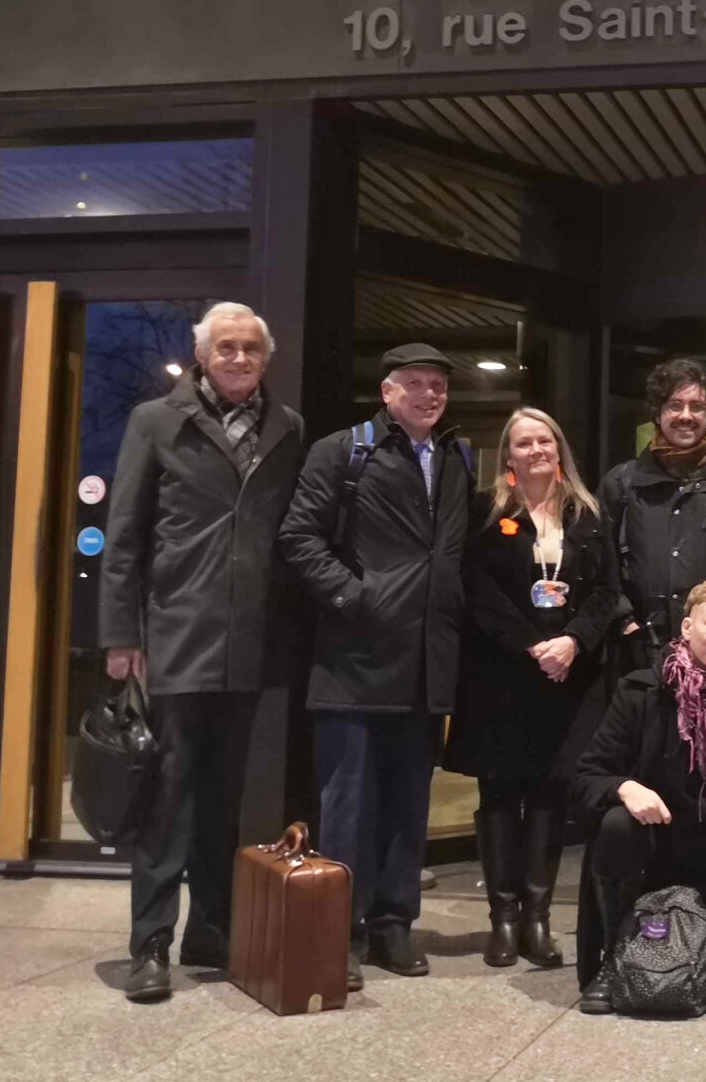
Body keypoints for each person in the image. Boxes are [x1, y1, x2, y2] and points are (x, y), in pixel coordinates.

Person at [99, 302, 304, 1004]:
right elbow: (123, 535)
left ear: (265, 356)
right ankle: (150, 943)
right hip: (176, 636)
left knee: (225, 800)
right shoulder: (157, 421)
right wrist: (121, 636)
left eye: (251, 347)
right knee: (169, 797)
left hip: (250, 643)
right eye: (227, 347)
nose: (240, 358)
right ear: (203, 355)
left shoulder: (287, 428)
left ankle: (211, 931)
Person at [278, 343, 472, 988]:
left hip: (423, 664)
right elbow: (298, 539)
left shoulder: (455, 456)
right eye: (414, 384)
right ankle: (342, 931)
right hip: (354, 662)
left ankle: (394, 926)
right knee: (349, 808)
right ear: (387, 392)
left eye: (438, 385)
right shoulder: (344, 450)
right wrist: (354, 597)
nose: (428, 395)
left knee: (407, 806)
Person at [445, 408, 620, 970]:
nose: (536, 449)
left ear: (559, 447)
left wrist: (571, 643)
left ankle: (539, 918)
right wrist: (531, 645)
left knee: (550, 793)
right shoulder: (486, 511)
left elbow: (607, 592)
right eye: (524, 442)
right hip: (502, 675)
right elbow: (476, 588)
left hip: (570, 677)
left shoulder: (588, 513)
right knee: (499, 794)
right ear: (509, 455)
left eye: (545, 439)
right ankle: (503, 917)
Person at [570, 581, 706, 1015]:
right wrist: (626, 787)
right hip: (651, 852)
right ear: (687, 627)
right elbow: (585, 778)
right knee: (618, 824)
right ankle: (613, 960)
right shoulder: (641, 692)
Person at [598, 358, 706, 671]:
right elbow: (600, 564)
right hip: (639, 654)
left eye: (696, 406)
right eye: (675, 405)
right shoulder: (621, 483)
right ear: (658, 411)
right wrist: (625, 621)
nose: (686, 416)